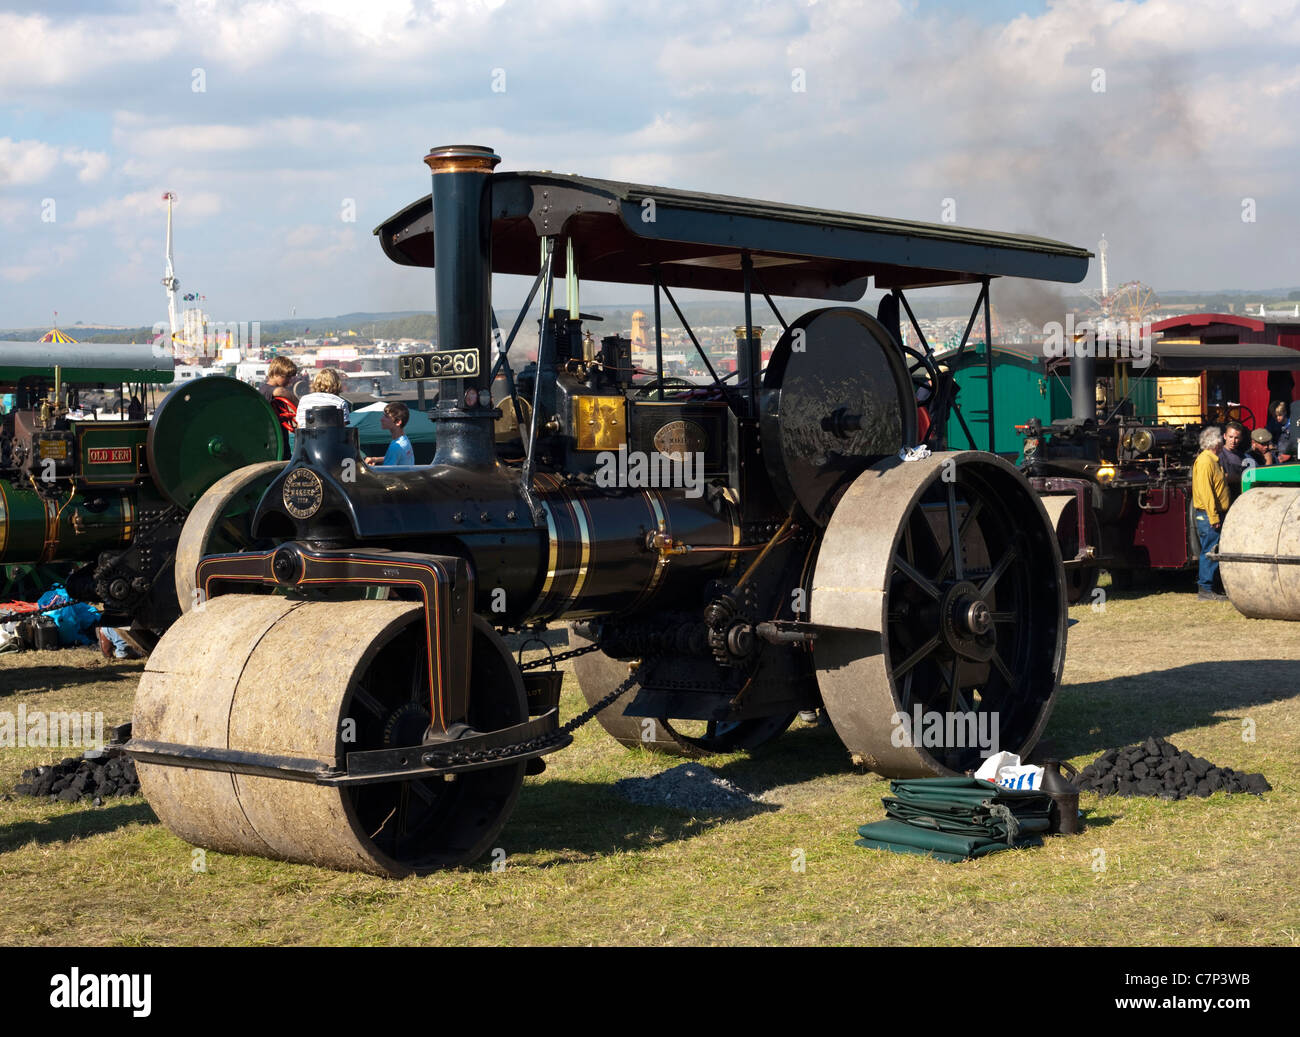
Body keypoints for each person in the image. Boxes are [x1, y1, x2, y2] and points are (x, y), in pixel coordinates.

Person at [1192, 426, 1231, 602]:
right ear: (1215, 443)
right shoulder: (1206, 462)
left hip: (1213, 514)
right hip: (1209, 516)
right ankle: (1205, 589)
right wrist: (1214, 517)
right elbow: (1206, 492)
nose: (1223, 444)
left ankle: (1210, 587)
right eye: (1221, 441)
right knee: (1210, 550)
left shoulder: (1212, 460)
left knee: (1213, 549)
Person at [365, 401, 414, 466]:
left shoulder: (396, 447)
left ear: (398, 422)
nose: (381, 419)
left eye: (386, 417)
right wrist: (375, 459)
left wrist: (369, 469)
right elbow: (395, 457)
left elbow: (386, 474)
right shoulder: (404, 440)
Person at [1218, 420, 1249, 501]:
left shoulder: (1242, 456)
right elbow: (1219, 477)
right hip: (1225, 498)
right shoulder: (1219, 455)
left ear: (1241, 438)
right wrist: (1240, 477)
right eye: (1230, 437)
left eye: (1236, 438)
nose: (1233, 441)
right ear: (1224, 436)